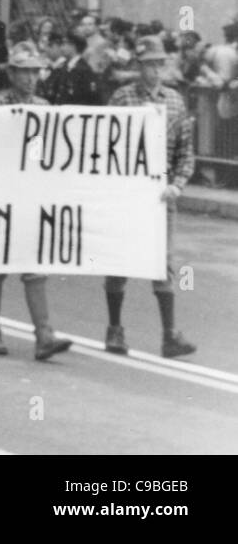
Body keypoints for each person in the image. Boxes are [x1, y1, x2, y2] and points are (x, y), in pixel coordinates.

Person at [105, 36, 197, 359]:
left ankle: (169, 335)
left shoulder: (174, 101)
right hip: (128, 192)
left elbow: (186, 152)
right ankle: (114, 329)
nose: (154, 71)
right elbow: (104, 144)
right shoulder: (122, 98)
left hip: (160, 195)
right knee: (119, 259)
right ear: (138, 66)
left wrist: (178, 185)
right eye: (148, 65)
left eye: (159, 64)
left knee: (162, 262)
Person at [0, 42, 74, 360]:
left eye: (35, 72)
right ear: (12, 73)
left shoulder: (44, 105)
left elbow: (45, 150)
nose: (31, 78)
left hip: (29, 193)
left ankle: (43, 334)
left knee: (34, 265)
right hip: (0, 192)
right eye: (25, 72)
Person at [44, 30, 102, 106]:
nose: (62, 48)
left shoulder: (84, 70)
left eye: (64, 44)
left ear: (73, 46)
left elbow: (91, 98)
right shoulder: (64, 67)